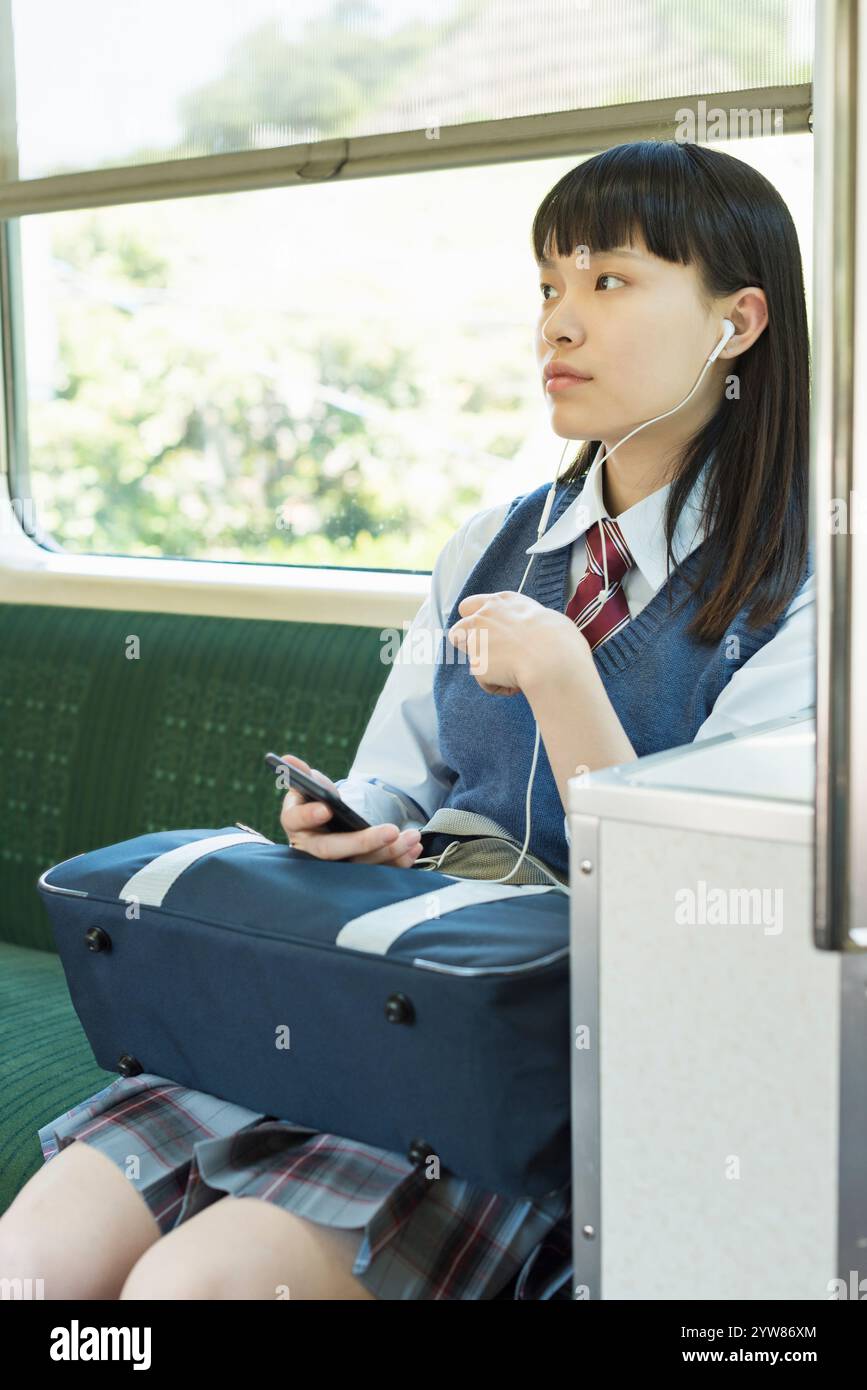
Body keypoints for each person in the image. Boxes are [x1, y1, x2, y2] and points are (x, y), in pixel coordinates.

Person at [0, 139, 814, 1300]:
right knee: (31, 1266)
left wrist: (566, 681)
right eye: (547, 286)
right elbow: (403, 785)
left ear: (736, 325)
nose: (557, 326)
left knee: (191, 1288)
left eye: (609, 282)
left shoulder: (810, 591)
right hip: (372, 996)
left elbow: (698, 922)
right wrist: (351, 819)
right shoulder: (485, 546)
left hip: (538, 1048)